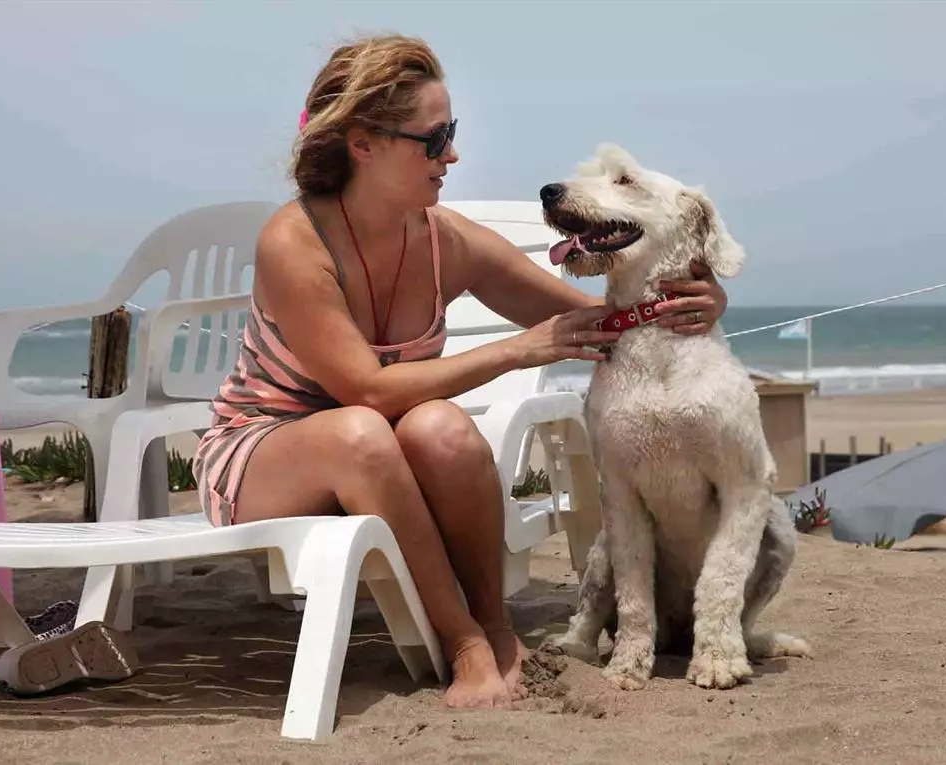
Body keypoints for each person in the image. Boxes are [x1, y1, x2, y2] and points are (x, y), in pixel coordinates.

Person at [192, 34, 728, 710]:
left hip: (384, 452)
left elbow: (599, 318)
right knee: (362, 430)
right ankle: (464, 643)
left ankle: (497, 631)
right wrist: (516, 349)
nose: (453, 153)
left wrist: (702, 300)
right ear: (363, 143)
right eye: (434, 137)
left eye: (453, 132)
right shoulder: (296, 241)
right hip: (267, 449)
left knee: (442, 431)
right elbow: (364, 389)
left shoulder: (448, 241)